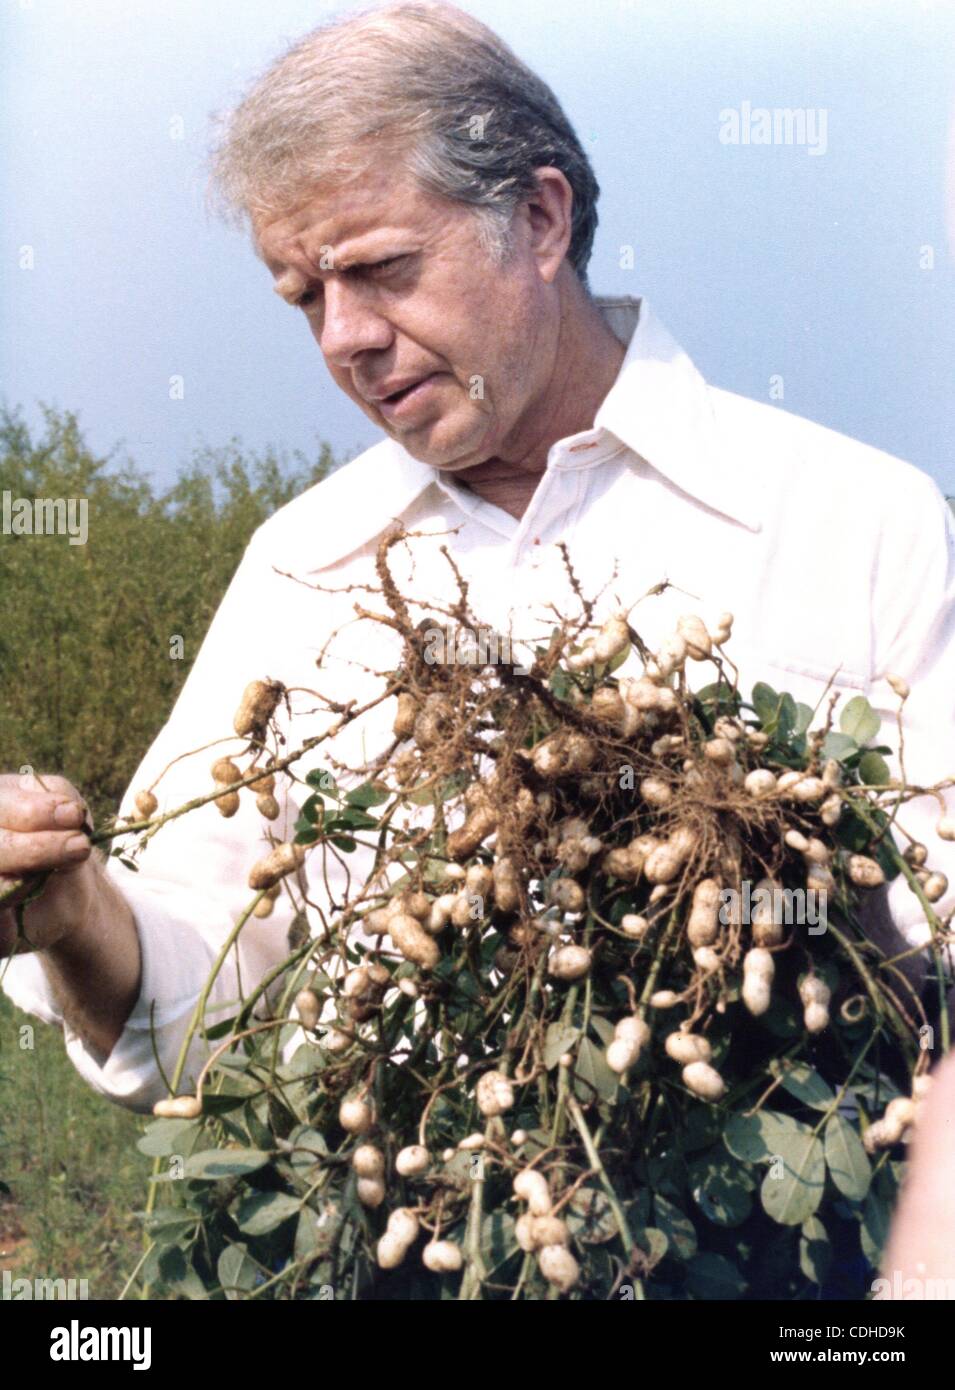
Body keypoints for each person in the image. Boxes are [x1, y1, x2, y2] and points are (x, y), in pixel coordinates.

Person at [1, 0, 953, 1118]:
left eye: (382, 269)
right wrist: (73, 916)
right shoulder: (302, 563)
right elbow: (206, 1014)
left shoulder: (861, 519)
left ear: (541, 220)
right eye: (306, 295)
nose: (343, 336)